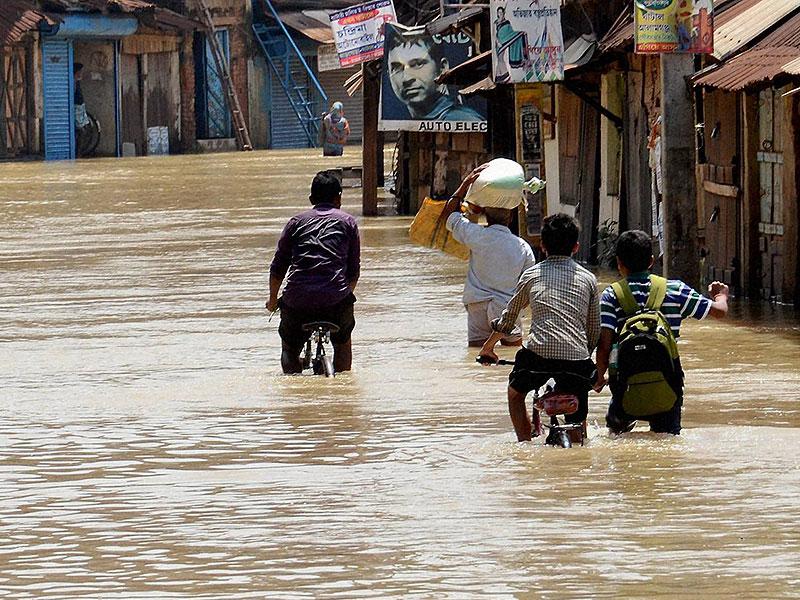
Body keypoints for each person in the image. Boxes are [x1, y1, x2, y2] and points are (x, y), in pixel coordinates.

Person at [594, 229, 730, 435]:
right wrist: (721, 295)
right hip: (667, 384)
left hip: (625, 386)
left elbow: (604, 344)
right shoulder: (674, 289)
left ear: (619, 263)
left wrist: (600, 376)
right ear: (651, 261)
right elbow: (719, 312)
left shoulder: (611, 295)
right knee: (667, 440)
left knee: (618, 441)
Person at [480, 214, 600, 442]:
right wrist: (585, 357)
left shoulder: (532, 275)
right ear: (576, 246)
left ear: (542, 246)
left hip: (537, 356)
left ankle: (524, 443)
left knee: (515, 394)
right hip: (577, 357)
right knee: (578, 404)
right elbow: (593, 330)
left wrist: (488, 348)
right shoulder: (588, 279)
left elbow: (508, 319)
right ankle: (577, 438)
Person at [267, 171, 360, 374]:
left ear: (311, 199)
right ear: (339, 198)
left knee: (289, 347)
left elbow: (278, 267)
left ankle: (292, 381)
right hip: (336, 302)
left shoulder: (295, 223)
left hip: (297, 301)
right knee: (343, 343)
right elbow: (353, 271)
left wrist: (273, 300)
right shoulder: (348, 223)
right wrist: (342, 294)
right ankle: (342, 384)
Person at [442, 165, 536, 347]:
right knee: (512, 355)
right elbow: (529, 286)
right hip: (507, 307)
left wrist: (464, 184)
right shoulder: (522, 247)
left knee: (478, 358)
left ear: (486, 216)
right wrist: (518, 310)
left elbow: (449, 215)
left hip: (477, 304)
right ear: (509, 219)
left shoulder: (475, 235)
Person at [386, 26, 483, 122]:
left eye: (418, 64)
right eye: (396, 68)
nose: (406, 78)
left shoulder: (461, 119)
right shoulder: (404, 118)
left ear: (442, 68)